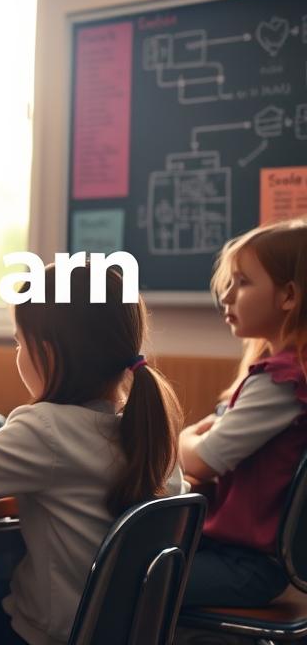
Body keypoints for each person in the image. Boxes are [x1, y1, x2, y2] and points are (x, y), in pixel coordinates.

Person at [0, 264, 185, 645]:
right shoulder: (150, 431)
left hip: (46, 636)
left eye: (20, 342)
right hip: (121, 632)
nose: (17, 353)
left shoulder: (47, 429)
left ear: (47, 354)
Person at [179, 218, 307, 608]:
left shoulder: (281, 382)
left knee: (118, 573)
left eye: (243, 282)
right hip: (244, 557)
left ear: (288, 296)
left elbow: (201, 462)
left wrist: (185, 437)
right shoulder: (286, 375)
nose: (227, 296)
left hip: (249, 566)